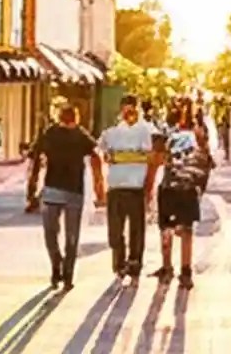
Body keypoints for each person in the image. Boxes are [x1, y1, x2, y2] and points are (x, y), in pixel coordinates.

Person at [26, 106, 106, 290]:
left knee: (50, 234)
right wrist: (99, 187)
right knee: (72, 236)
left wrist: (31, 191)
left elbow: (35, 160)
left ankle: (56, 264)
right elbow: (96, 157)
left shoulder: (50, 133)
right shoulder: (81, 134)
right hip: (74, 192)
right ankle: (68, 275)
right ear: (76, 118)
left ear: (59, 117)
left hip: (52, 190)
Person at [149, 100, 212, 288]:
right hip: (188, 186)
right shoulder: (199, 133)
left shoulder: (166, 132)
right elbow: (206, 160)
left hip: (169, 185)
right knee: (186, 229)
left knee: (166, 228)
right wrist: (201, 186)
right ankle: (185, 271)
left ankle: (167, 267)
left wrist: (148, 189)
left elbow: (156, 160)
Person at [99, 94, 158, 281]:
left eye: (133, 109)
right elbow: (101, 152)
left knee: (136, 230)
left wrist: (149, 187)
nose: (129, 112)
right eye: (126, 108)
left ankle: (134, 264)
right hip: (116, 186)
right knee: (115, 232)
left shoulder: (147, 131)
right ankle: (119, 263)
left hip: (136, 187)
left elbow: (152, 159)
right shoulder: (111, 133)